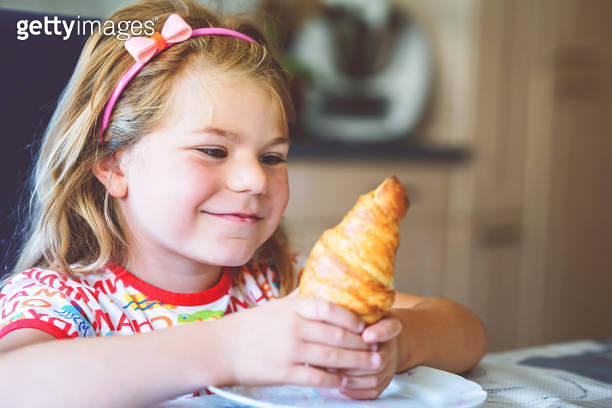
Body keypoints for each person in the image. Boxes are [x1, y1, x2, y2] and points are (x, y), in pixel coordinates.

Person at [0, 0, 487, 406]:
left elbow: (465, 331)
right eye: (213, 150)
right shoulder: (63, 299)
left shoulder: (278, 285)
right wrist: (228, 348)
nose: (255, 178)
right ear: (113, 165)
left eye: (273, 156)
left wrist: (397, 346)